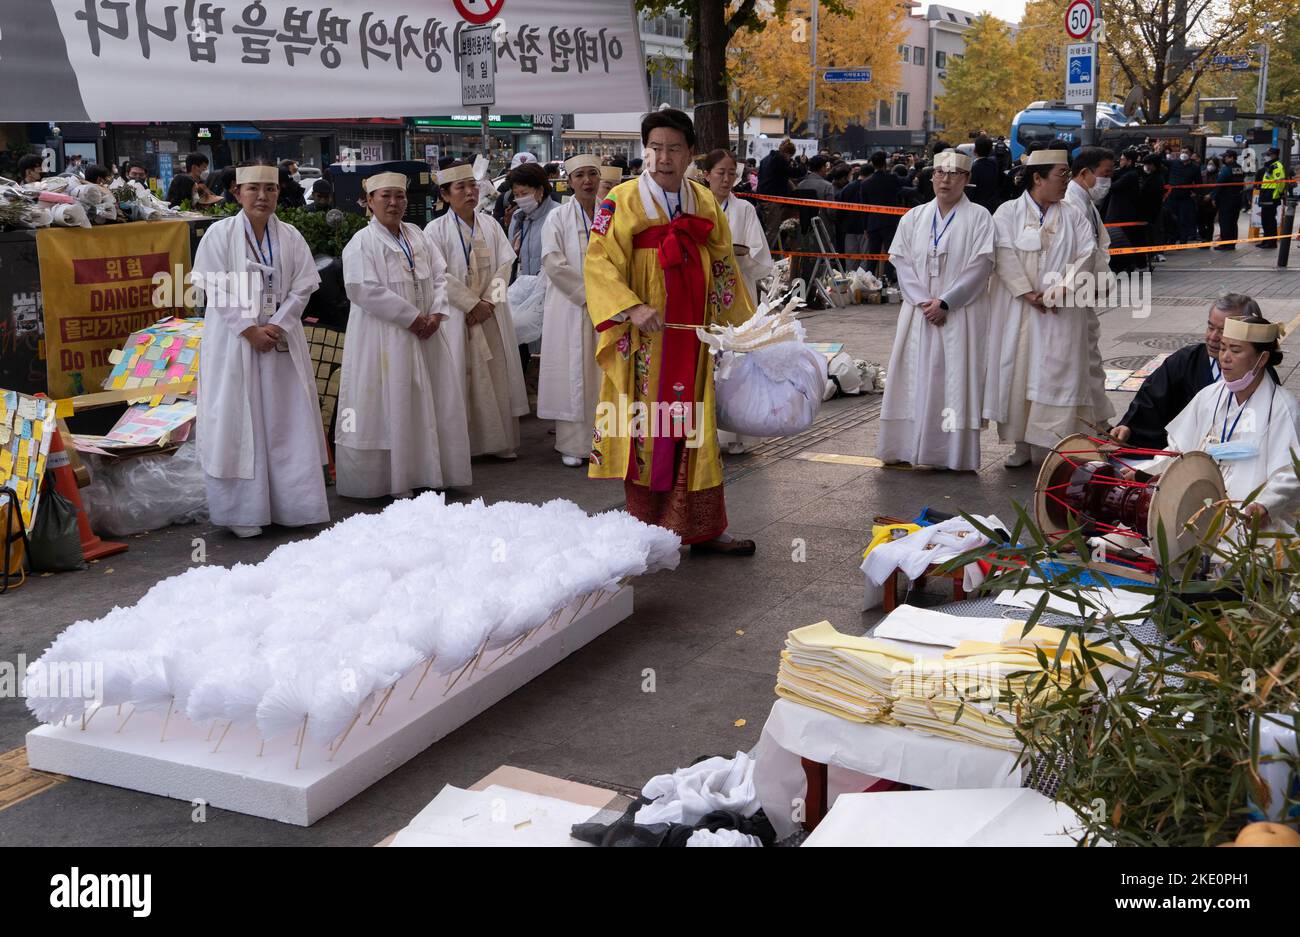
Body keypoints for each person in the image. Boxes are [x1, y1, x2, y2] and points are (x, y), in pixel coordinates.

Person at [583, 107, 756, 555]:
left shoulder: (703, 201)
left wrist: (741, 327)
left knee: (694, 422)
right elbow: (598, 261)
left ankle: (701, 527)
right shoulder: (619, 200)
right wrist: (631, 307)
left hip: (692, 334)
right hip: (645, 338)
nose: (663, 158)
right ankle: (645, 528)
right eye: (655, 148)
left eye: (674, 148)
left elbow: (723, 264)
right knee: (647, 423)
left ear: (690, 154)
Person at [190, 163, 329, 538]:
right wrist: (249, 330)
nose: (262, 196)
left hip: (281, 341)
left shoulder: (291, 236)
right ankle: (243, 512)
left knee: (286, 420)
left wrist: (279, 324)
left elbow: (303, 287)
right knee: (238, 421)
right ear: (236, 192)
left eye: (270, 188)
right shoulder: (219, 235)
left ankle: (293, 505)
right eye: (253, 189)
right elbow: (215, 289)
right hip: (235, 344)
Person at [336, 172, 470, 499]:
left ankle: (429, 472)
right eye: (385, 196)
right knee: (389, 401)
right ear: (369, 202)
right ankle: (389, 480)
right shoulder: (362, 242)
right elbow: (361, 288)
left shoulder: (417, 236)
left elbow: (441, 275)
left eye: (400, 196)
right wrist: (411, 318)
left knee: (429, 400)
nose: (394, 203)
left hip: (427, 334)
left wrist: (437, 312)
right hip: (384, 337)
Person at [876, 150, 994, 472]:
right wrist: (922, 302)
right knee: (913, 379)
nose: (946, 178)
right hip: (918, 313)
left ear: (966, 180)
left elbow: (981, 265)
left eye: (954, 173)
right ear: (931, 177)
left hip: (960, 314)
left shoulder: (980, 217)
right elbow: (901, 263)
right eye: (940, 172)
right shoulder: (912, 218)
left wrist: (946, 302)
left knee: (954, 380)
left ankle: (951, 454)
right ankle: (906, 447)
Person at [1126, 315, 1300, 532]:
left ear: (1262, 358)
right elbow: (1178, 449)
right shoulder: (1208, 396)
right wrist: (1145, 471)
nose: (1224, 358)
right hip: (1196, 505)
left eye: (1235, 351)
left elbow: (1289, 470)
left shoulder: (1283, 407)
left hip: (1246, 514)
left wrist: (1264, 505)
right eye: (1223, 348)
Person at [983, 146, 1096, 468]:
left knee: (1059, 375)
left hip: (1062, 311)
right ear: (1037, 177)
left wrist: (1063, 289)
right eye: (1061, 175)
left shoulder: (1073, 213)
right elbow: (1002, 253)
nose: (1066, 182)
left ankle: (1055, 445)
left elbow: (1087, 253)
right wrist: (1026, 292)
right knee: (1018, 373)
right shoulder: (1007, 213)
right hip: (1019, 309)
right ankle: (1020, 444)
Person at [425, 162, 529, 459]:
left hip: (491, 314)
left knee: (496, 373)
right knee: (460, 375)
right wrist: (471, 304)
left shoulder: (491, 225)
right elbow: (438, 275)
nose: (470, 192)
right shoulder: (434, 231)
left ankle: (501, 442)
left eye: (472, 185)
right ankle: (465, 445)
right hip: (458, 317)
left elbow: (506, 263)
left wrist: (488, 303)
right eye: (461, 188)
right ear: (445, 195)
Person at [1112, 293, 1258, 450]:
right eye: (1210, 327)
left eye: (1222, 331)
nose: (1213, 337)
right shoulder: (1185, 360)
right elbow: (1152, 398)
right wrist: (1129, 427)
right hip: (1185, 453)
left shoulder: (1258, 374)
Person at [538, 155, 603, 467]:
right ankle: (573, 444)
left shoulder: (611, 213)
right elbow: (553, 261)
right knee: (573, 371)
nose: (587, 181)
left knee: (603, 373)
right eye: (580, 176)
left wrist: (609, 295)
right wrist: (587, 295)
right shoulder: (558, 217)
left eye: (592, 174)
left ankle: (606, 442)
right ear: (570, 181)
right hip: (570, 305)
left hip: (608, 306)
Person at [1064, 145, 1117, 430]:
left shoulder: (1084, 202)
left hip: (1082, 291)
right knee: (1086, 358)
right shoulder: (1072, 204)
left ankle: (1096, 418)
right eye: (1104, 174)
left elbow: (1098, 247)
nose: (1107, 181)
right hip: (1073, 292)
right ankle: (1094, 421)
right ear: (1084, 173)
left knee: (1089, 356)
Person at [700, 148, 774, 308]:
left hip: (738, 286)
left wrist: (740, 256)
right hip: (702, 285)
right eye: (720, 173)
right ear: (707, 175)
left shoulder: (745, 209)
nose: (726, 179)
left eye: (731, 173)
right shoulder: (696, 207)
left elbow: (759, 254)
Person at [861, 150, 904, 283]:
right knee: (890, 254)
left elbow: (864, 207)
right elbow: (907, 181)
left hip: (872, 222)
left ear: (872, 164)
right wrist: (912, 166)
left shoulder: (866, 183)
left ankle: (869, 281)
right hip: (890, 222)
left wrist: (865, 227)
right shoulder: (892, 179)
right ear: (885, 162)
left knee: (872, 255)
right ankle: (887, 281)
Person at [1105, 149, 1145, 272]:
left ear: (1129, 161)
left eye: (1122, 159)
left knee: (1126, 239)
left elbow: (1113, 187)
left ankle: (1129, 265)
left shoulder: (1131, 175)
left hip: (1124, 213)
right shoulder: (1124, 173)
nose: (1120, 161)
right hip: (1121, 212)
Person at [1165, 144, 1200, 243]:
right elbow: (1160, 161)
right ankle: (1171, 239)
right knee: (1171, 219)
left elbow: (1198, 184)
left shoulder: (1194, 168)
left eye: (1186, 152)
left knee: (1183, 220)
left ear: (1191, 154)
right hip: (1172, 197)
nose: (1183, 154)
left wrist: (1196, 193)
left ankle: (1183, 240)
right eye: (1182, 152)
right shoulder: (1173, 163)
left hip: (1185, 198)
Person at [1212, 149, 1246, 250]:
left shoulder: (1226, 169)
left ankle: (1225, 244)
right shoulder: (1239, 168)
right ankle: (1232, 243)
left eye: (1225, 157)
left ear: (1231, 157)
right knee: (1233, 222)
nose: (1223, 159)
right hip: (1237, 199)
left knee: (1225, 222)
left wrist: (1214, 197)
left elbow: (1219, 184)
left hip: (1226, 200)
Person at [1258, 147, 1285, 248]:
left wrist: (1277, 194)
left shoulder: (1277, 166)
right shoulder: (1270, 166)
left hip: (1271, 196)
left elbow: (1281, 182)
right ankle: (1266, 241)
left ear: (1274, 155)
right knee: (1265, 220)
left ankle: (1271, 242)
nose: (1266, 157)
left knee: (1270, 220)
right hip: (1266, 195)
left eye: (1268, 155)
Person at [969, 135, 1002, 213]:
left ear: (975, 150)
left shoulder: (974, 168)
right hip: (993, 206)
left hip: (977, 207)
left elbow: (971, 190)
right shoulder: (994, 164)